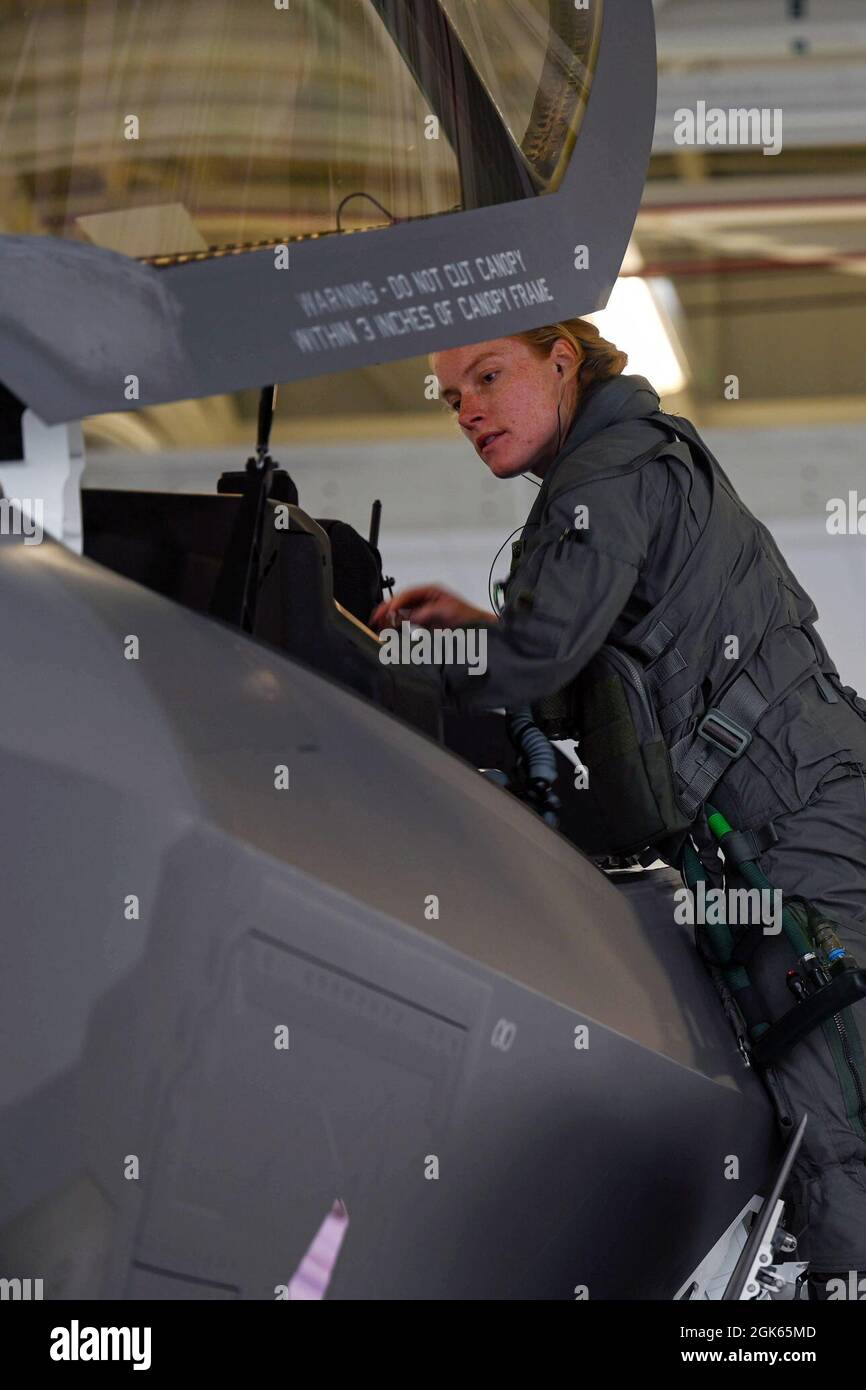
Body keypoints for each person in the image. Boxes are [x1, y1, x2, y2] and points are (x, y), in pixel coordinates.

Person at [371, 319, 866, 1298]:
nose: (466, 407)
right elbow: (577, 660)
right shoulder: (616, 467)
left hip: (795, 814)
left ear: (562, 361)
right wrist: (470, 636)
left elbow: (536, 654)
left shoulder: (606, 474)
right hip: (777, 812)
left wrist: (380, 660)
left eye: (486, 374)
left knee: (826, 1087)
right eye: (447, 393)